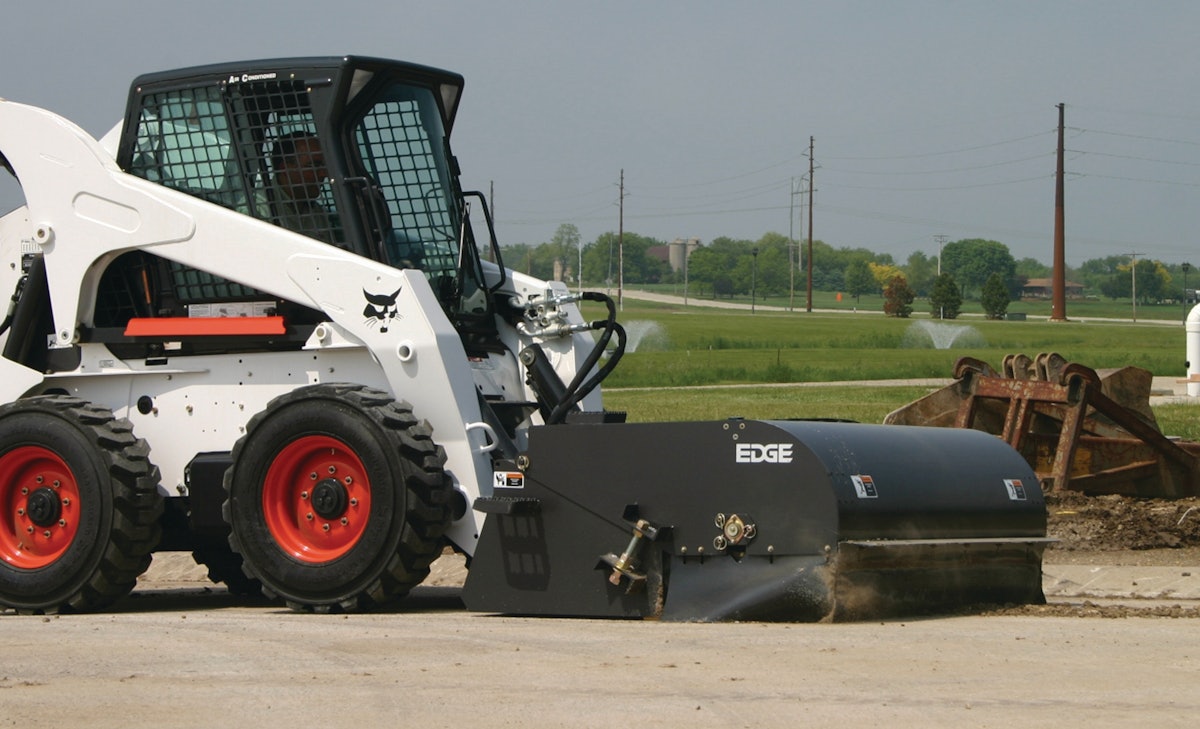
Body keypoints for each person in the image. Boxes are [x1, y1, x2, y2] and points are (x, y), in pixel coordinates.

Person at [269, 132, 337, 244]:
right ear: (285, 169)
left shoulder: (317, 213)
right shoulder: (260, 210)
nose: (323, 174)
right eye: (314, 165)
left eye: (324, 165)